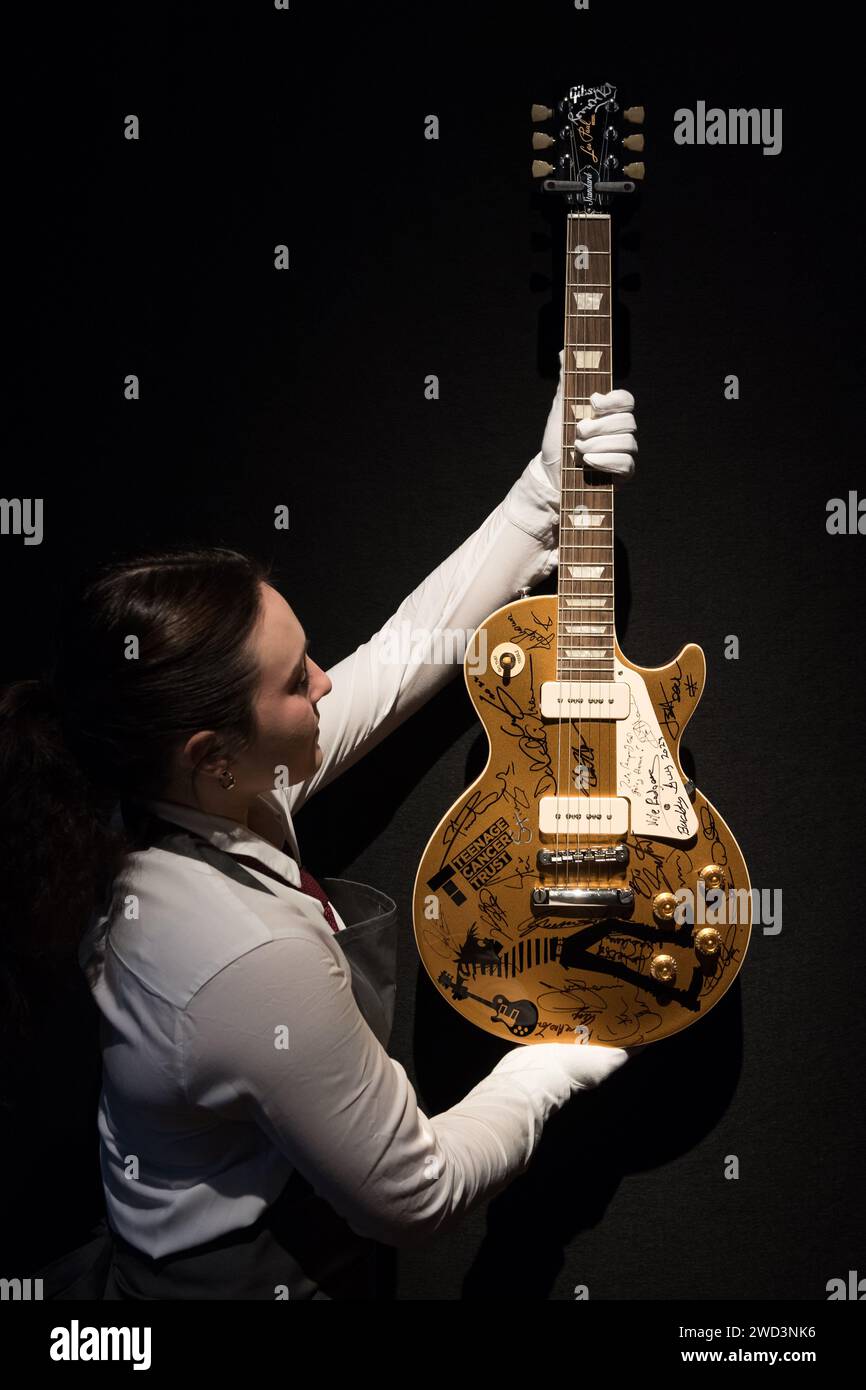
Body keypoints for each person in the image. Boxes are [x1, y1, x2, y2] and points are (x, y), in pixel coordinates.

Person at [1, 356, 639, 1299]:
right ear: (214, 753)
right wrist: (550, 1068)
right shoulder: (238, 951)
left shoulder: (165, 784)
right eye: (298, 679)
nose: (325, 683)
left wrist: (543, 492)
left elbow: (397, 658)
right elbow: (415, 1194)